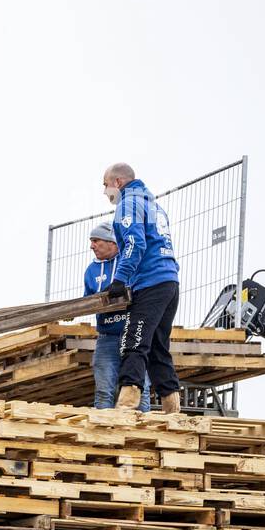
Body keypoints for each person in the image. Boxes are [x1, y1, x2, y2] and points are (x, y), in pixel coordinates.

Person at [101, 163, 183, 413]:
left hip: (150, 281)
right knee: (158, 346)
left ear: (118, 182)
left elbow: (134, 243)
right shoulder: (154, 205)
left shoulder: (129, 203)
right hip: (169, 281)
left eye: (105, 185)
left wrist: (120, 279)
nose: (105, 193)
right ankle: (173, 410)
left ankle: (127, 405)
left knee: (133, 340)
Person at [84, 222, 149, 411]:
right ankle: (104, 433)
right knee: (104, 391)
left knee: (139, 390)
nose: (92, 246)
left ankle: (142, 435)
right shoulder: (91, 270)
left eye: (96, 240)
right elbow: (87, 300)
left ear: (111, 241)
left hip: (134, 336)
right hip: (107, 337)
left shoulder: (131, 263)